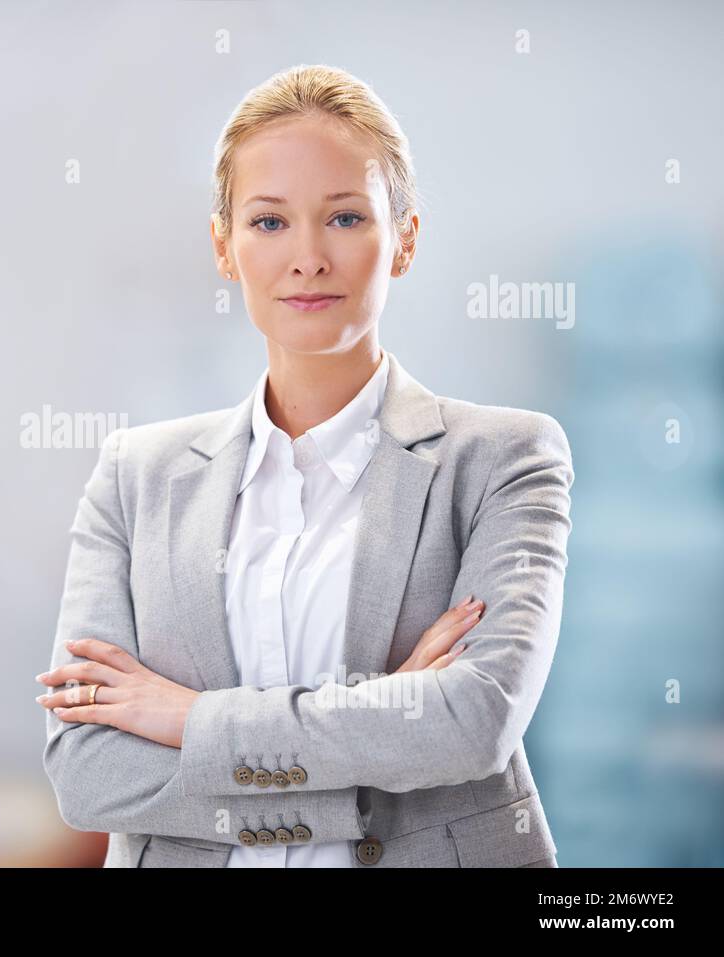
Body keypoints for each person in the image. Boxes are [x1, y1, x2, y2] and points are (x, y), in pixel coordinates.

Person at [37, 64, 572, 868]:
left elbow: (473, 721)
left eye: (347, 217)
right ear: (224, 246)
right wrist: (378, 736)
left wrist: (186, 717)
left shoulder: (502, 459)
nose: (309, 258)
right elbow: (89, 775)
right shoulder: (134, 476)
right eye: (269, 222)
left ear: (406, 238)